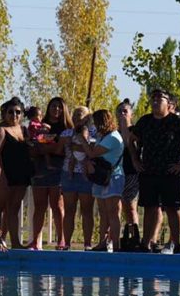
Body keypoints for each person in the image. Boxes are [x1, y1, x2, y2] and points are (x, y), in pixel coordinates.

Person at [128, 89, 180, 254]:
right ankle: (145, 243)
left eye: (159, 99)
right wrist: (135, 159)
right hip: (149, 171)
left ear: (169, 104)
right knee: (149, 207)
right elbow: (131, 140)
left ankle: (176, 244)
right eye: (153, 98)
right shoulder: (145, 121)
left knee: (173, 208)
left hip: (170, 172)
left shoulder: (177, 121)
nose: (155, 101)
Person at [0, 97, 32, 248]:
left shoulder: (23, 130)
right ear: (4, 113)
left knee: (13, 209)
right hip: (5, 174)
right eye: (11, 112)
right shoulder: (1, 130)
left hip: (21, 174)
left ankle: (15, 242)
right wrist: (0, 175)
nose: (14, 115)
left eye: (18, 112)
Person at [28, 97, 68, 250]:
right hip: (40, 167)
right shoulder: (39, 125)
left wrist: (47, 146)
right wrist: (47, 146)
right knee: (39, 205)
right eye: (53, 106)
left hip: (58, 168)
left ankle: (61, 239)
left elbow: (60, 149)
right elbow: (34, 146)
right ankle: (35, 241)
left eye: (59, 106)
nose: (56, 109)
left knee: (57, 205)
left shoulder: (66, 127)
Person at [81, 109, 123, 252]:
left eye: (96, 122)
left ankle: (116, 245)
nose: (94, 125)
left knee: (113, 212)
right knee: (103, 211)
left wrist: (82, 140)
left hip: (113, 176)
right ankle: (103, 242)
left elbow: (92, 152)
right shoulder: (102, 136)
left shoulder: (112, 137)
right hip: (100, 177)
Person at [60, 106, 96, 250]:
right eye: (74, 114)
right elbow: (61, 144)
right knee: (69, 209)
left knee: (87, 210)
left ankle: (87, 243)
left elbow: (91, 148)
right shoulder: (67, 132)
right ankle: (67, 243)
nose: (75, 117)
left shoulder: (93, 132)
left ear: (87, 117)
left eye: (79, 115)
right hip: (69, 173)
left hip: (85, 174)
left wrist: (80, 143)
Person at [115, 100, 141, 251]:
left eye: (125, 111)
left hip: (131, 172)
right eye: (120, 111)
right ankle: (115, 240)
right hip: (115, 174)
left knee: (130, 207)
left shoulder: (136, 131)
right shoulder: (112, 133)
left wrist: (125, 127)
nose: (123, 113)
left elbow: (130, 145)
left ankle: (134, 238)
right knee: (114, 208)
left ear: (132, 114)